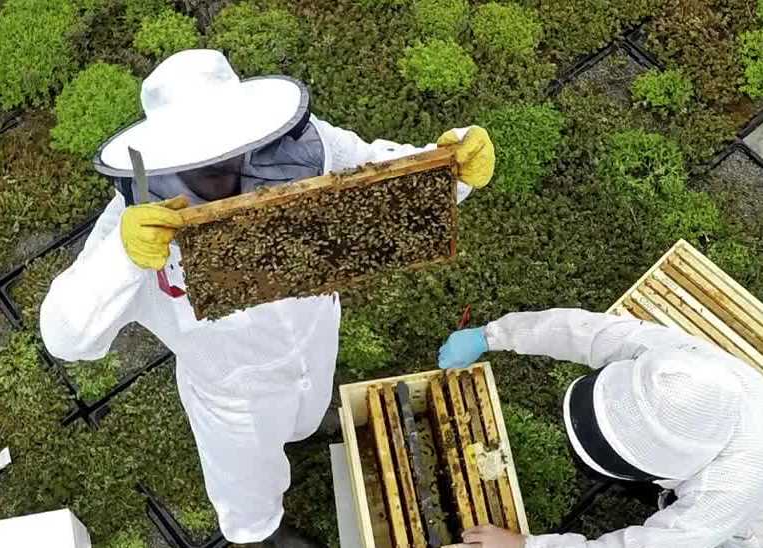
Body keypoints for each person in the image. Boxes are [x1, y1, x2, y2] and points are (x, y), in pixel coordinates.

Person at [40, 49, 495, 547]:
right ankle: (261, 533)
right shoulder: (132, 226)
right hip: (233, 392)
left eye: (227, 140)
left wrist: (450, 169)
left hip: (315, 334)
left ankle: (304, 425)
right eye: (198, 150)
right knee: (246, 477)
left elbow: (386, 174)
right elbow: (64, 336)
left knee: (310, 406)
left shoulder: (303, 149)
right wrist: (123, 260)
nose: (219, 160)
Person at [437, 308, 763, 548]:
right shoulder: (675, 364)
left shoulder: (722, 497)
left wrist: (525, 545)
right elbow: (589, 331)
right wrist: (490, 336)